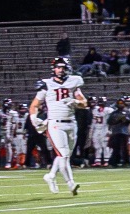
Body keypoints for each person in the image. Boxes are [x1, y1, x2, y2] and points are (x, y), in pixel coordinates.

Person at [31, 57, 88, 196]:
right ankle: (71, 184)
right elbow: (34, 105)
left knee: (66, 154)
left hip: (71, 123)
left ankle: (50, 176)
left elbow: (84, 103)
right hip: (55, 123)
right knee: (63, 154)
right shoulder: (46, 84)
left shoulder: (74, 82)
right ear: (54, 68)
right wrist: (34, 118)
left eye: (63, 67)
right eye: (58, 67)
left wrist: (74, 101)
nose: (60, 70)